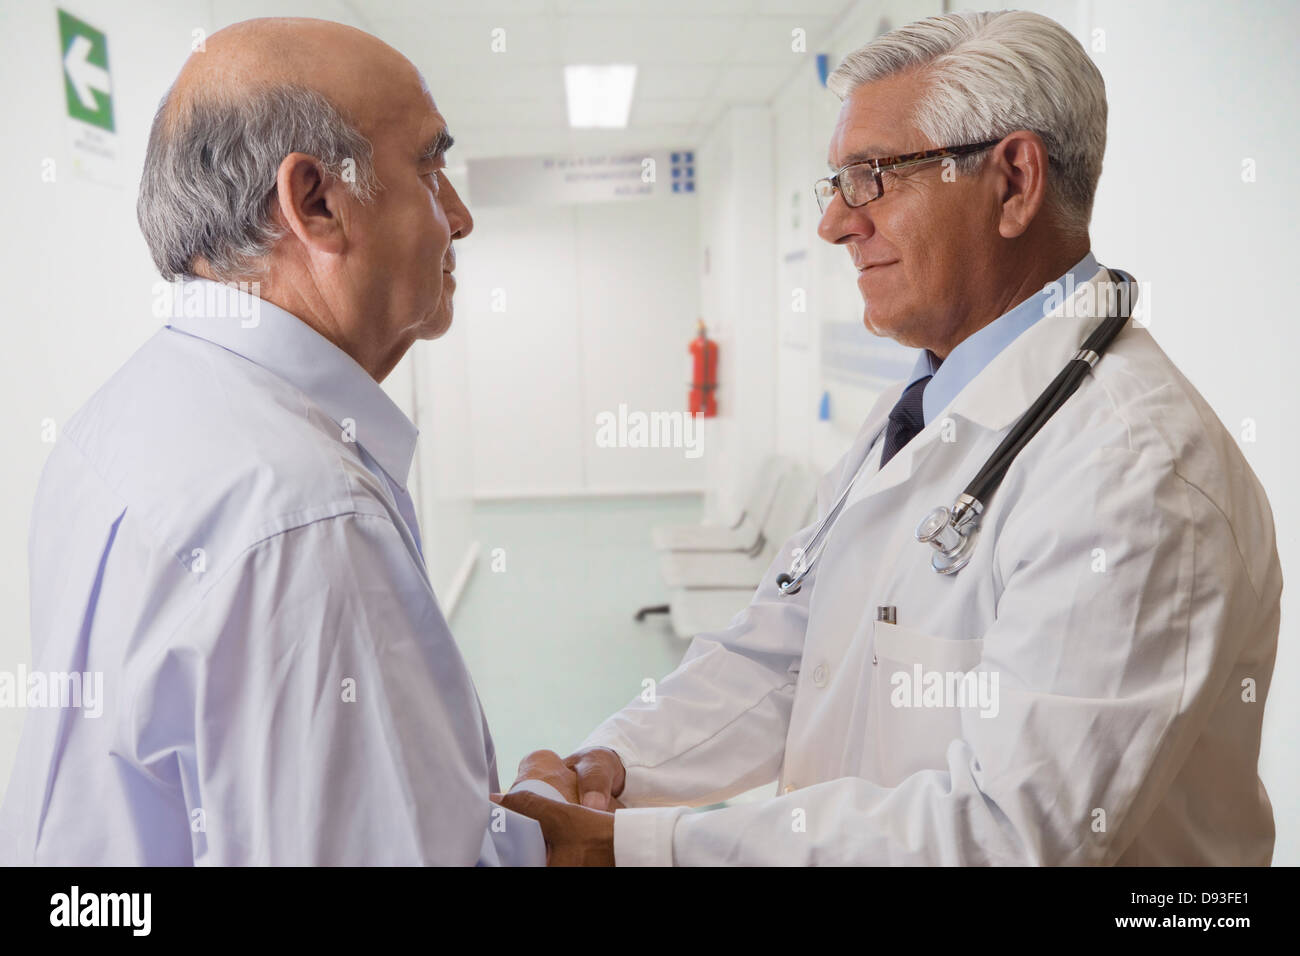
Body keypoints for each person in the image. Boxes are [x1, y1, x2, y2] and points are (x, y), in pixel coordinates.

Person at [501, 9, 1282, 866]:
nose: (834, 223)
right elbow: (787, 649)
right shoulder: (924, 401)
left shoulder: (1135, 469)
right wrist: (611, 763)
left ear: (1014, 182)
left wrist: (641, 849)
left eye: (871, 176)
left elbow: (1007, 837)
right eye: (835, 183)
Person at [0, 17, 545, 865]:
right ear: (317, 203)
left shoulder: (115, 422)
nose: (461, 218)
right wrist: (548, 830)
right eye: (431, 170)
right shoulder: (306, 521)